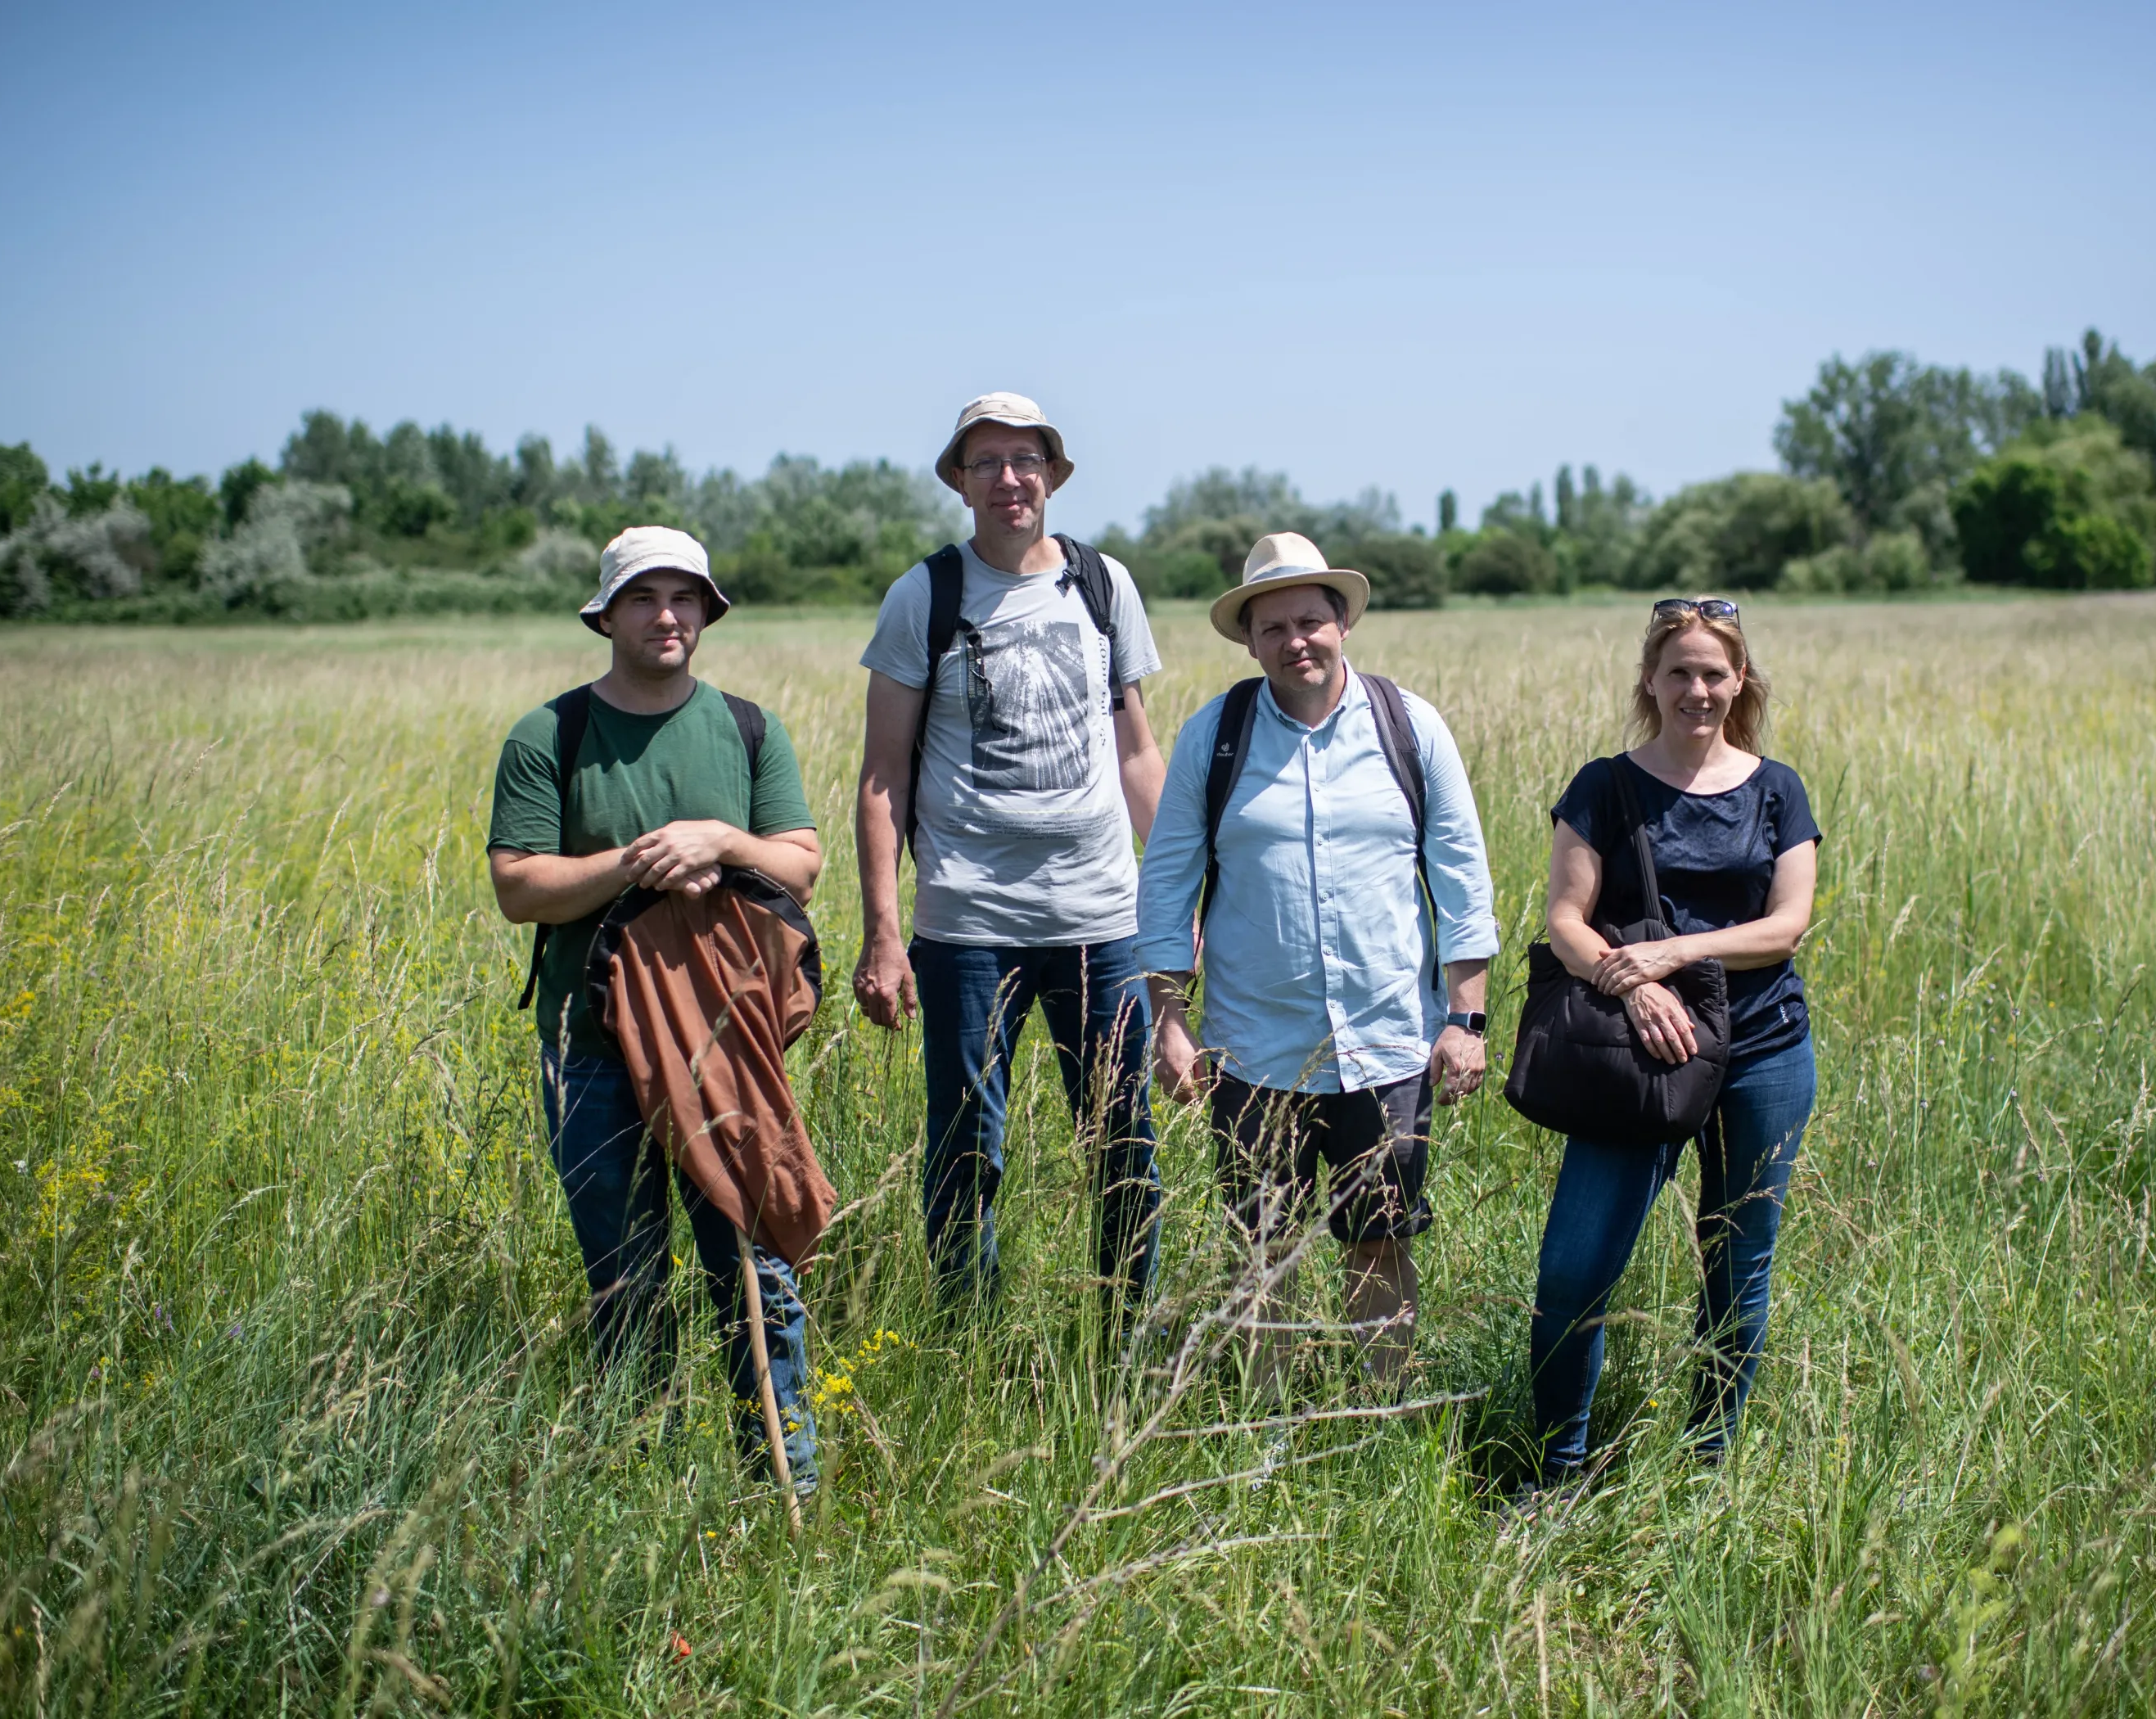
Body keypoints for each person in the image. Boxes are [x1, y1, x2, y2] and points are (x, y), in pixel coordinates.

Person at [487, 526, 824, 1487]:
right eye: (644, 598)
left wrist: (723, 840)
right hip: (590, 1048)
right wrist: (635, 862)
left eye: (684, 598)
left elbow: (802, 863)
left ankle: (782, 1486)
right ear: (606, 615)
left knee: (756, 1278)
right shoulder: (547, 736)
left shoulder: (750, 728)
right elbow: (519, 889)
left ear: (709, 613)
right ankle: (646, 1496)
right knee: (626, 1283)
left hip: (728, 1046)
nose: (666, 616)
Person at [1138, 533, 1499, 1396]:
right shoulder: (1215, 738)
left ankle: (1380, 1418)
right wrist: (1169, 1021)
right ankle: (1268, 1423)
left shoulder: (1410, 727)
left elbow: (1461, 875)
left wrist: (1466, 1019)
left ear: (1343, 623)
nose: (1296, 640)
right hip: (1254, 1046)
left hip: (1388, 1042)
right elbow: (1166, 887)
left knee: (1380, 1238)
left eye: (1312, 620)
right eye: (1275, 627)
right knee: (1264, 1242)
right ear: (1251, 641)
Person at [851, 392, 1167, 1329]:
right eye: (985, 462)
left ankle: (1126, 1342)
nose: (1008, 478)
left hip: (1104, 922)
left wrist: (1186, 893)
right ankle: (966, 1342)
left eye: (1025, 459)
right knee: (964, 1150)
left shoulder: (1105, 584)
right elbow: (882, 776)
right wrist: (881, 934)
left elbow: (1139, 753)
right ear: (960, 483)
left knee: (1124, 1143)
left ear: (1054, 476)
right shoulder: (926, 596)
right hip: (966, 924)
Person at [1524, 596, 1820, 1482]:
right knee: (1574, 1272)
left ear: (1741, 683)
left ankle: (1705, 1467)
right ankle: (1556, 1473)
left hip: (1764, 1049)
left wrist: (1675, 953)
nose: (1698, 689)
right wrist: (1633, 981)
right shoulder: (1604, 785)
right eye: (1679, 672)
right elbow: (1567, 923)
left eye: (1714, 673)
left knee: (1738, 1267)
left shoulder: (1778, 788)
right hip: (1637, 1054)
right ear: (1650, 682)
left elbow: (1788, 926)